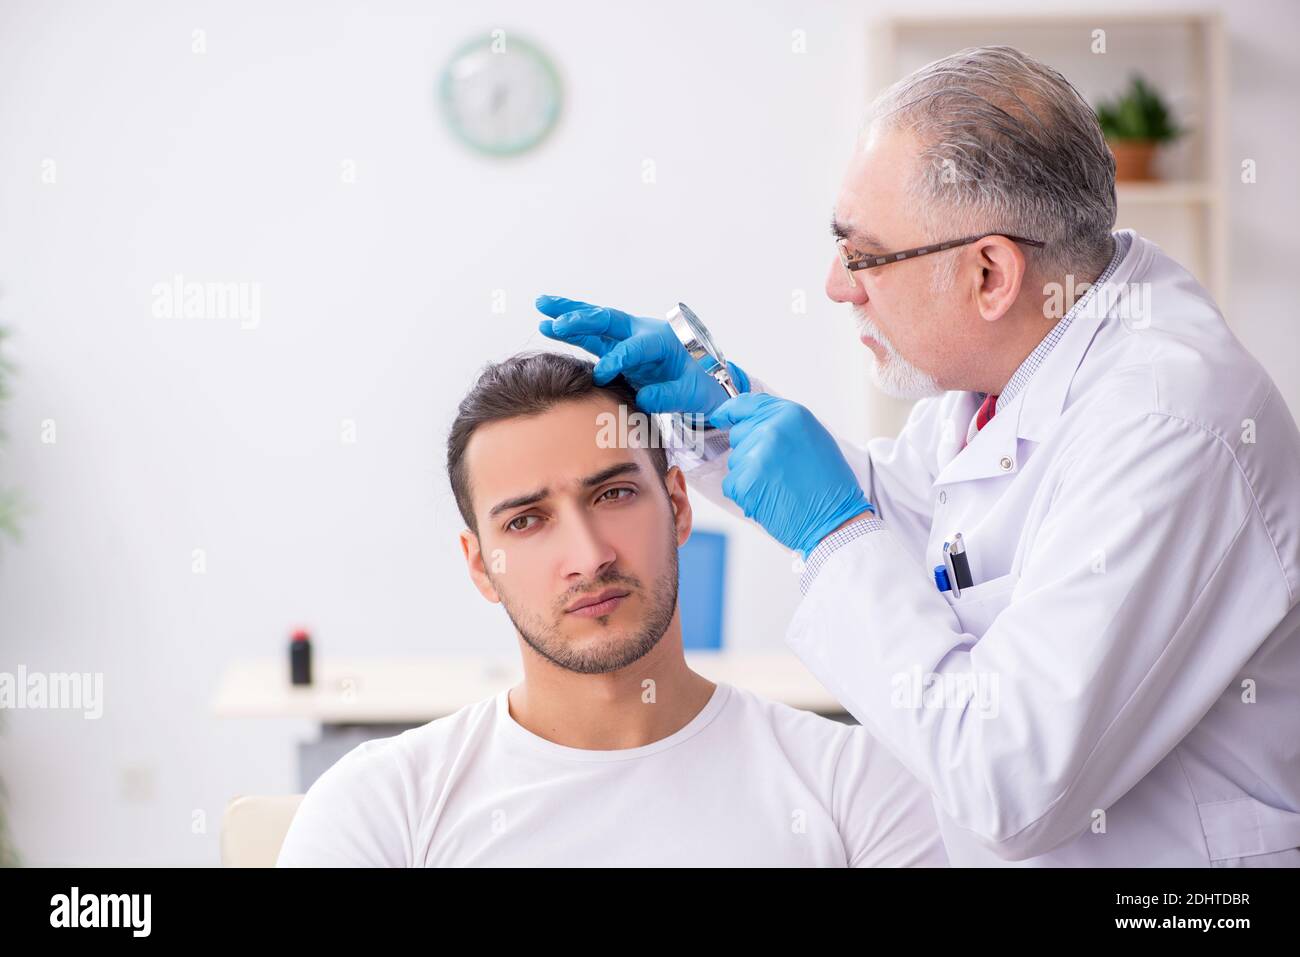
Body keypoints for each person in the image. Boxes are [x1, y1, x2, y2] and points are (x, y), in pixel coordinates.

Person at [536, 46, 1300, 866]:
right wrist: (721, 414)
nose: (838, 285)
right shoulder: (1016, 367)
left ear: (990, 273)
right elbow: (930, 523)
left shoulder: (1166, 426)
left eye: (862, 255)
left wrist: (830, 532)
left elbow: (1006, 783)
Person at [276, 352, 946, 867]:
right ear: (481, 564)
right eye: (527, 521)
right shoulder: (381, 807)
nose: (587, 555)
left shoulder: (855, 784)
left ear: (679, 504)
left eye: (614, 495)